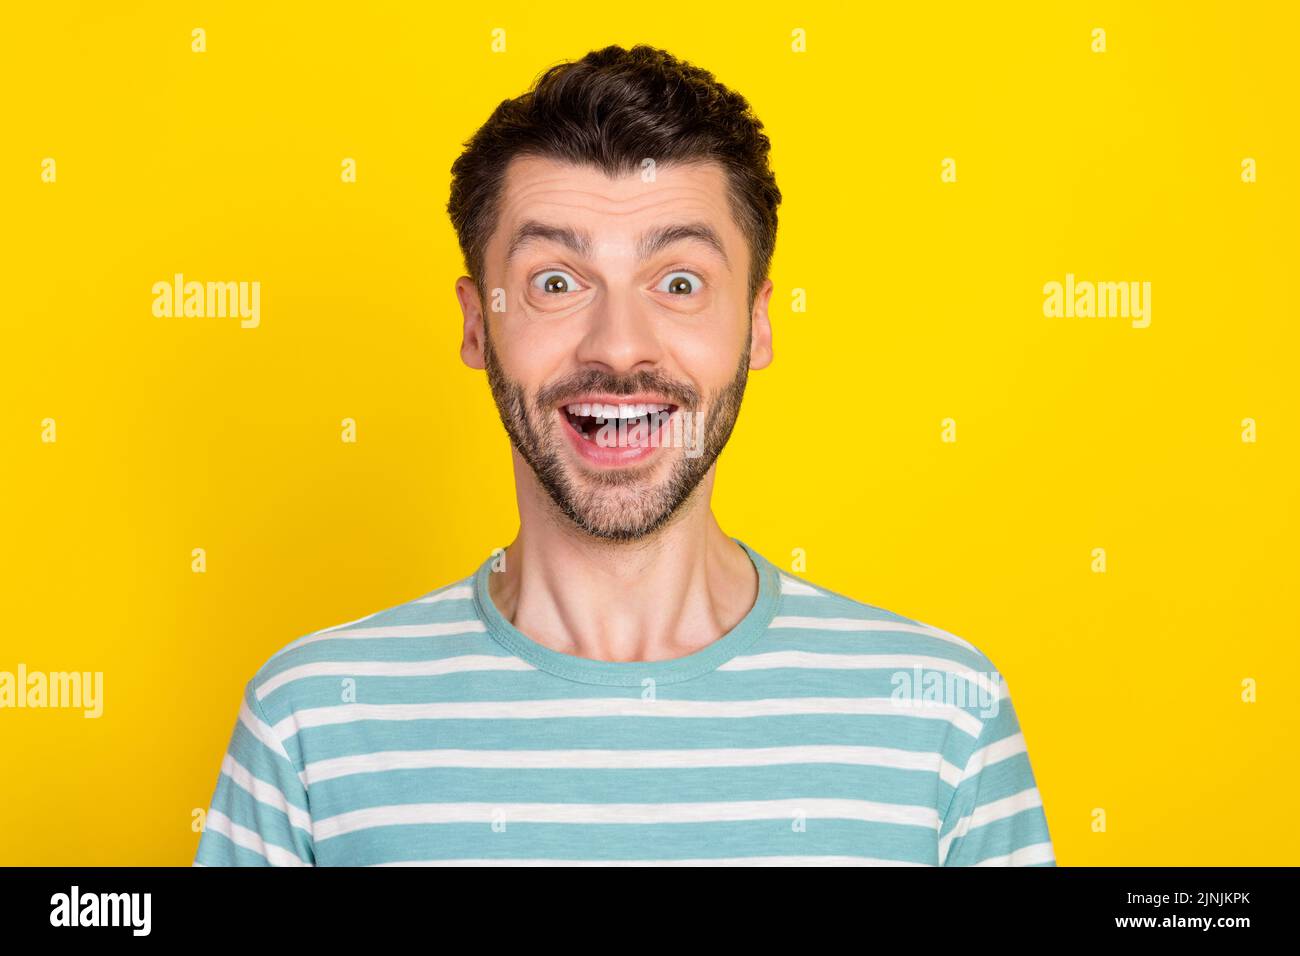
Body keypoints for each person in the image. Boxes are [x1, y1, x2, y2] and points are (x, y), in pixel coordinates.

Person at [194, 43, 1053, 866]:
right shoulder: (309, 721)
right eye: (556, 283)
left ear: (755, 323)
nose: (619, 347)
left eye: (679, 283)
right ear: (475, 322)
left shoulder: (944, 714)